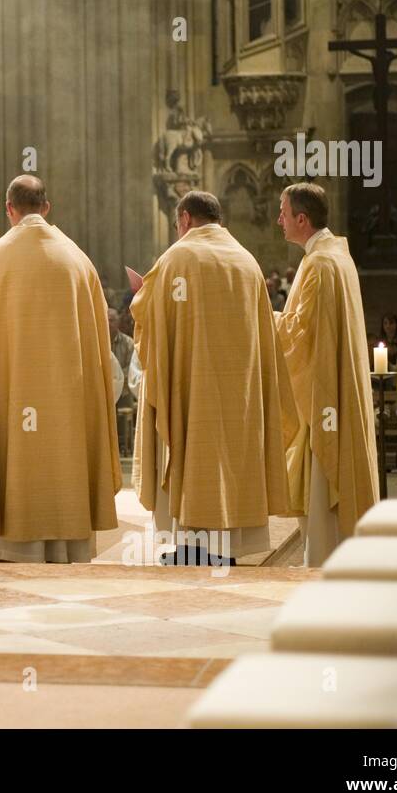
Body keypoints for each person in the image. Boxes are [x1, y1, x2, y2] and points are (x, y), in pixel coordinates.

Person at [0, 176, 121, 563]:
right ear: (47, 207)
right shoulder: (77, 260)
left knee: (15, 448)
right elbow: (99, 343)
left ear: (9, 209)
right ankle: (67, 542)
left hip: (14, 401)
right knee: (64, 447)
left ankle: (16, 545)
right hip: (67, 400)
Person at [131, 190, 294, 566]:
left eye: (177, 225)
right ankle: (228, 547)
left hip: (192, 388)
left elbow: (149, 320)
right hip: (240, 393)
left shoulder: (177, 258)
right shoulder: (247, 263)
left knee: (194, 456)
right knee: (232, 459)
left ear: (185, 219)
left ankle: (193, 548)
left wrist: (141, 298)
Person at [273, 183, 378, 567]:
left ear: (302, 219)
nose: (278, 220)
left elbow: (302, 334)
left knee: (320, 481)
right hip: (333, 389)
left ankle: (325, 562)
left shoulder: (319, 263)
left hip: (323, 396)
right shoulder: (336, 257)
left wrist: (262, 319)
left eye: (283, 213)